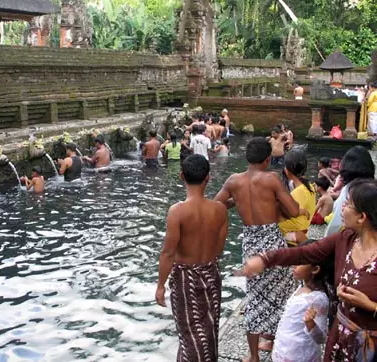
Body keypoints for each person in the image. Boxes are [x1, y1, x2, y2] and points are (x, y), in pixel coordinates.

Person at [240, 178, 377, 362]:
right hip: (340, 337)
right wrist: (266, 259)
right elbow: (306, 253)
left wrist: (371, 306)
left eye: (348, 204)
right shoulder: (346, 238)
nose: (341, 206)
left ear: (362, 217)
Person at [214, 138, 300, 362]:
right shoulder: (271, 179)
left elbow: (216, 203)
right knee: (281, 294)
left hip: (250, 243)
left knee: (254, 297)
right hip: (272, 241)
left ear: (246, 158)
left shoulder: (234, 180)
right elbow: (293, 210)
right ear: (268, 159)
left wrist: (235, 201)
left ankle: (253, 355)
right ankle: (275, 342)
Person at [156, 155, 228, 361]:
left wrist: (161, 285)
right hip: (211, 275)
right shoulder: (220, 210)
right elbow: (219, 249)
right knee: (209, 330)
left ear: (181, 176)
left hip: (185, 280)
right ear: (208, 178)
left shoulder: (177, 212)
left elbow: (168, 253)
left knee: (188, 334)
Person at [271, 239, 331, 362]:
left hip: (299, 355)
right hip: (284, 350)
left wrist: (310, 324)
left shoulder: (318, 299)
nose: (293, 264)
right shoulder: (302, 286)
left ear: (315, 270)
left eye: (300, 262)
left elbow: (321, 338)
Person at [325, 146, 375, 237]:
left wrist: (327, 241)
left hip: (355, 237)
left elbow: (336, 223)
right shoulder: (372, 187)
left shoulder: (350, 189)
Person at [280, 151, 315, 246]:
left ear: (287, 170)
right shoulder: (310, 186)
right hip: (304, 226)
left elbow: (288, 213)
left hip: (293, 232)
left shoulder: (297, 192)